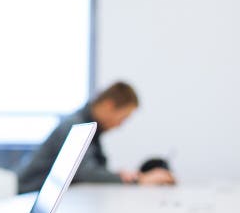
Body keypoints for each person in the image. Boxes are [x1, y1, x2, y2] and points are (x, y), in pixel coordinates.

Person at [16, 81, 175, 194]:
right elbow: (86, 173)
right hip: (29, 197)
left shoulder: (91, 128)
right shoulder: (75, 126)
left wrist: (120, 177)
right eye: (123, 117)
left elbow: (93, 169)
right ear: (109, 105)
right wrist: (138, 181)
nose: (121, 124)